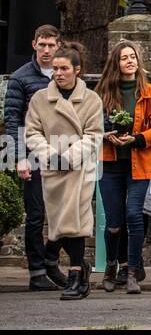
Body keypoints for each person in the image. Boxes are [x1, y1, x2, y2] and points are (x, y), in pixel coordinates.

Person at [23, 47, 103, 300]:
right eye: (55, 69)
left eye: (64, 68)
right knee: (59, 225)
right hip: (52, 169)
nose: (58, 73)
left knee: (75, 222)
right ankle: (79, 270)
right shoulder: (39, 99)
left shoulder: (91, 99)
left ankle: (76, 275)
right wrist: (51, 156)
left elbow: (94, 135)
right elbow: (32, 132)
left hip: (80, 168)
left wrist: (69, 157)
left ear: (77, 70)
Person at [96, 40, 151, 295]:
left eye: (133, 56)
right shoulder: (103, 91)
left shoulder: (150, 91)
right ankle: (111, 267)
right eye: (124, 57)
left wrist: (136, 139)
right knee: (114, 222)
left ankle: (133, 272)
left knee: (134, 216)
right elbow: (90, 124)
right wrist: (105, 134)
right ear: (117, 62)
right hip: (110, 163)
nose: (130, 61)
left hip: (139, 163)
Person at [4, 24, 63, 291]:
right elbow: (13, 119)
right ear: (34, 45)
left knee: (65, 213)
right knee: (36, 214)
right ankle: (37, 272)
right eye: (42, 45)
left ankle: (51, 261)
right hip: (32, 152)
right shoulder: (21, 77)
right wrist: (19, 158)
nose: (47, 50)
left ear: (58, 46)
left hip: (63, 151)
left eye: (51, 45)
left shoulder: (64, 74)